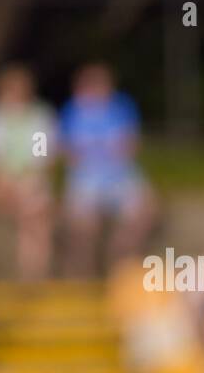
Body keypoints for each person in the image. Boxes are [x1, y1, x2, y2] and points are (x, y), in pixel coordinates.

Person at [59, 63, 155, 276]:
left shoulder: (122, 106)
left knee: (145, 212)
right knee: (83, 227)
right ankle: (84, 279)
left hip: (121, 176)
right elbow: (67, 153)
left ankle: (119, 270)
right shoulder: (72, 111)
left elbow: (130, 146)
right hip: (86, 178)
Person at [0, 64, 56, 280]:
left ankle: (31, 276)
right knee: (31, 211)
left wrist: (24, 182)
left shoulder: (39, 117)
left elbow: (42, 158)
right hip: (1, 182)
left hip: (30, 182)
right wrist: (4, 182)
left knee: (35, 212)